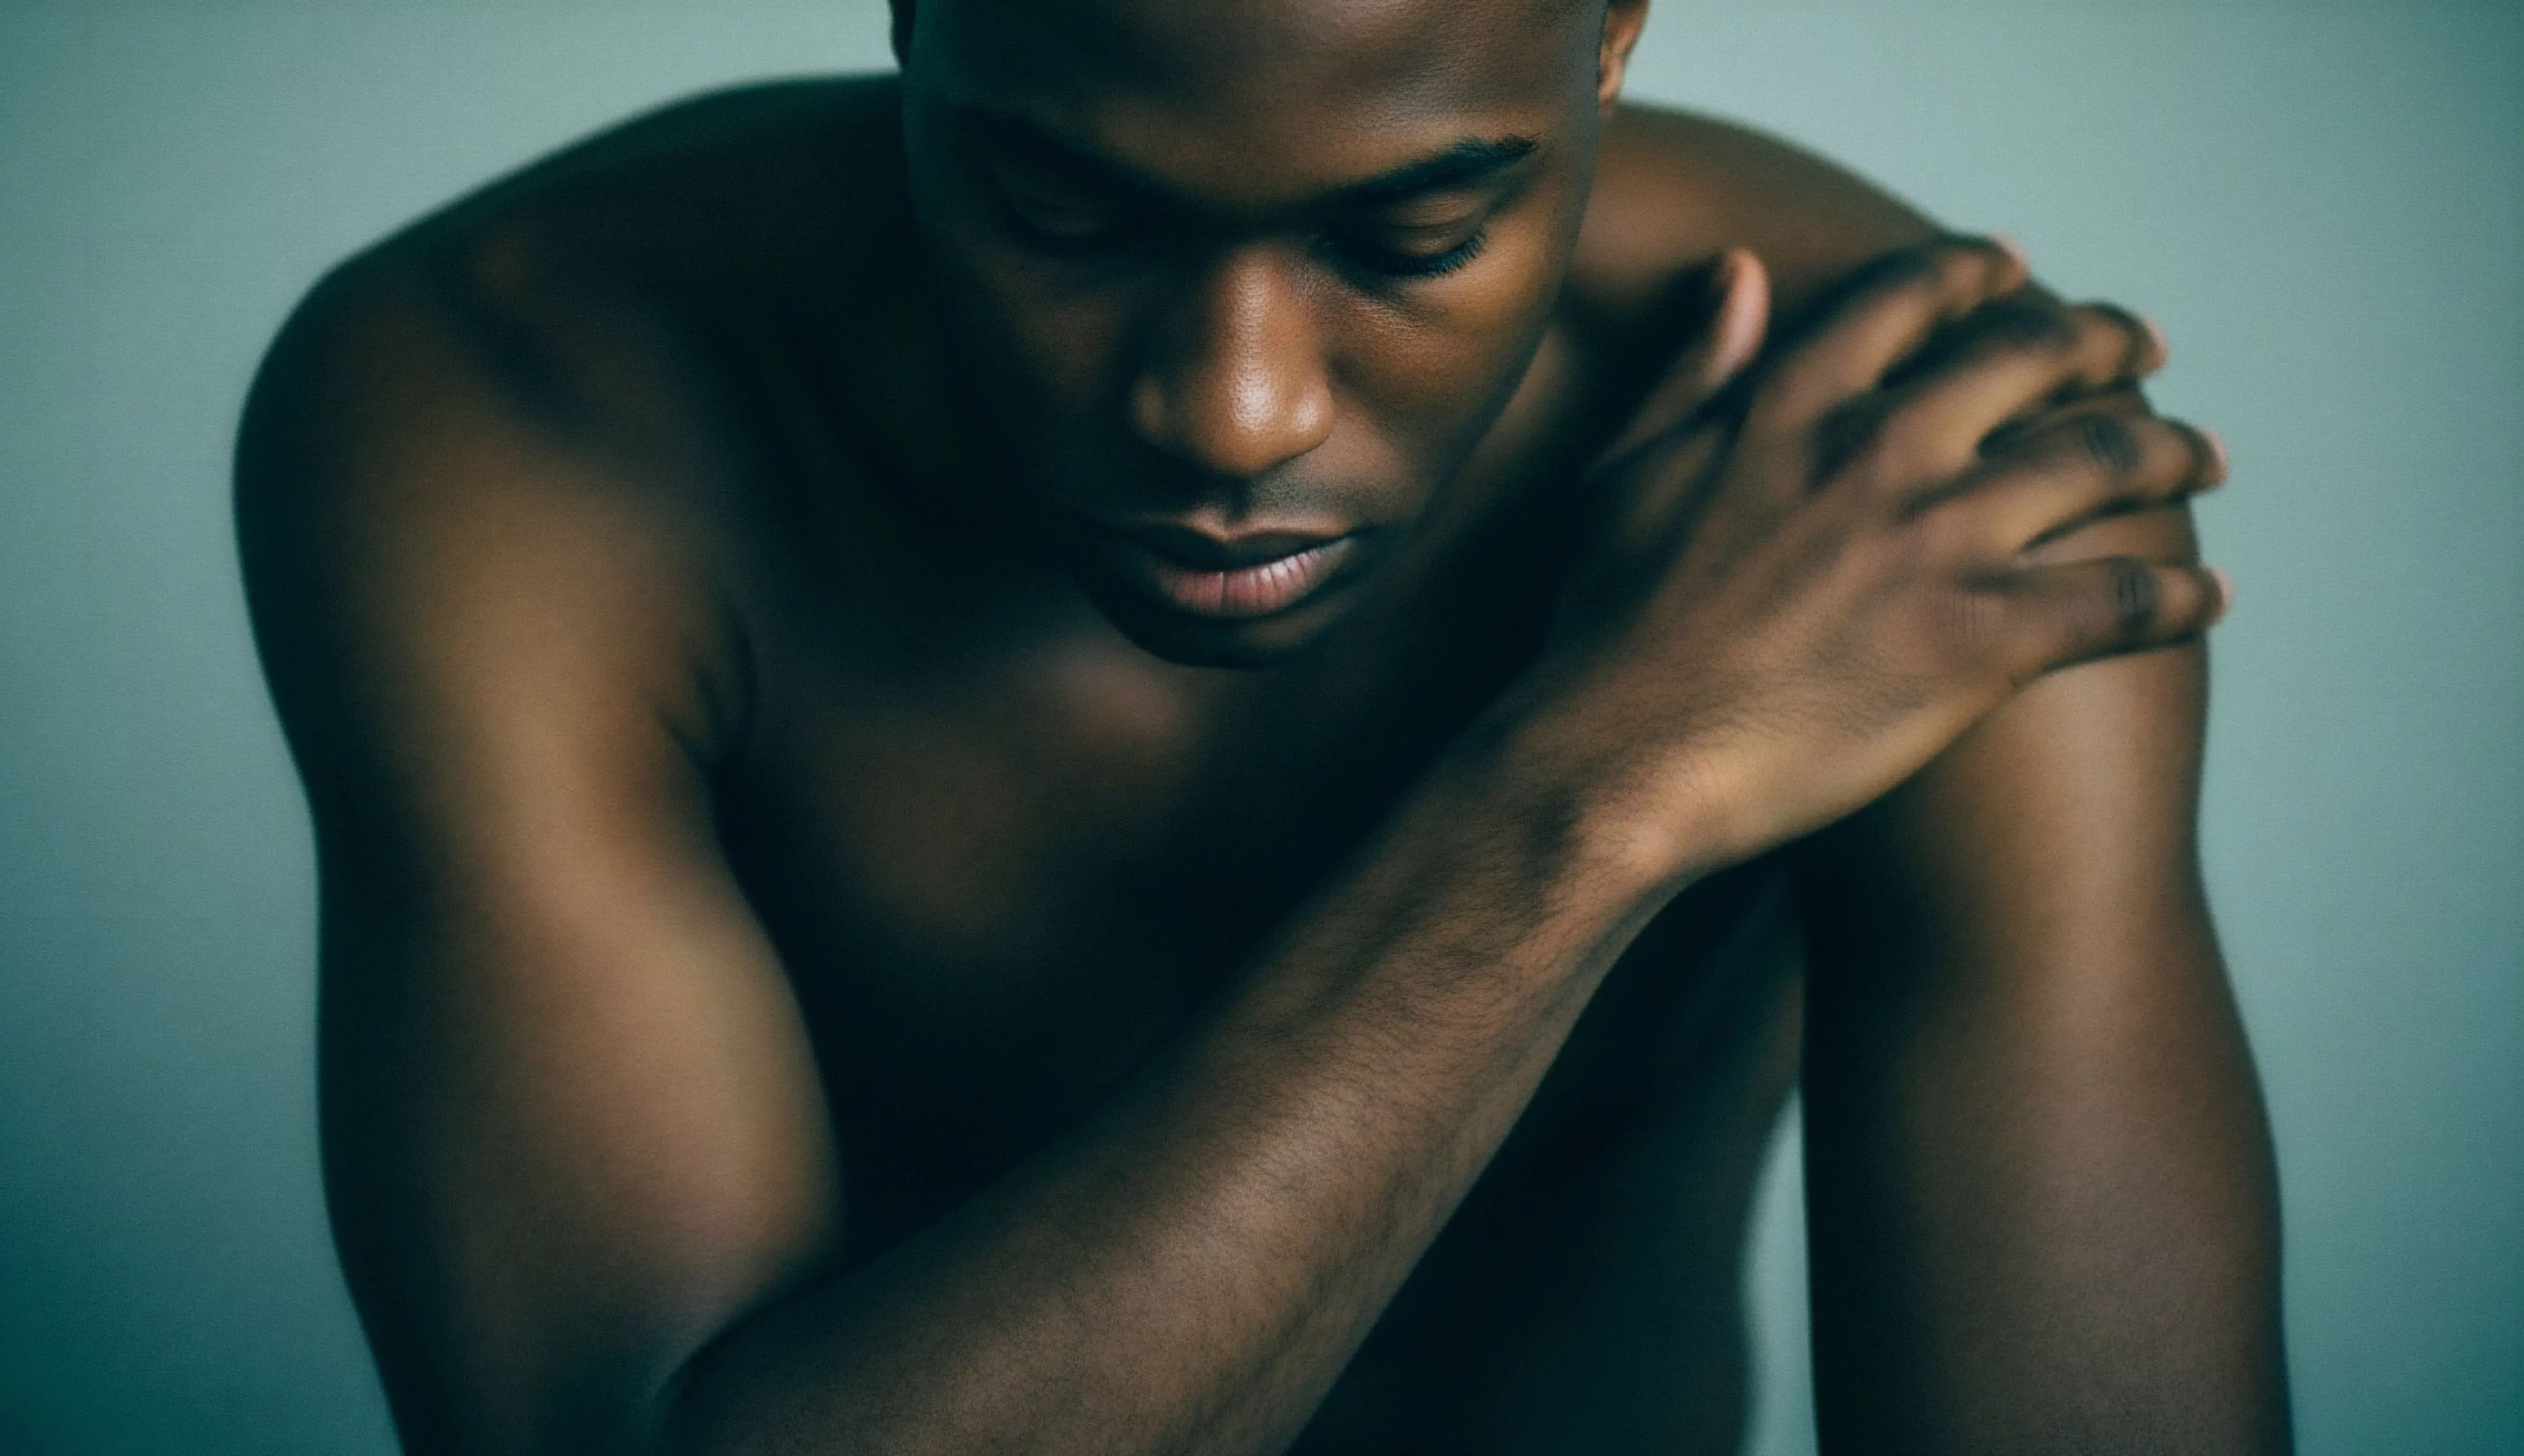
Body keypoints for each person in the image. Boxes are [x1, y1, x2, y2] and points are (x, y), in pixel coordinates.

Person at [235, 1, 2290, 1450]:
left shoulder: (1897, 486)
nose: (1233, 415)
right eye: (1065, 216)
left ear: (1611, 35)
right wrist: (1596, 793)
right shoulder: (519, 403)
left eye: (1412, 239)